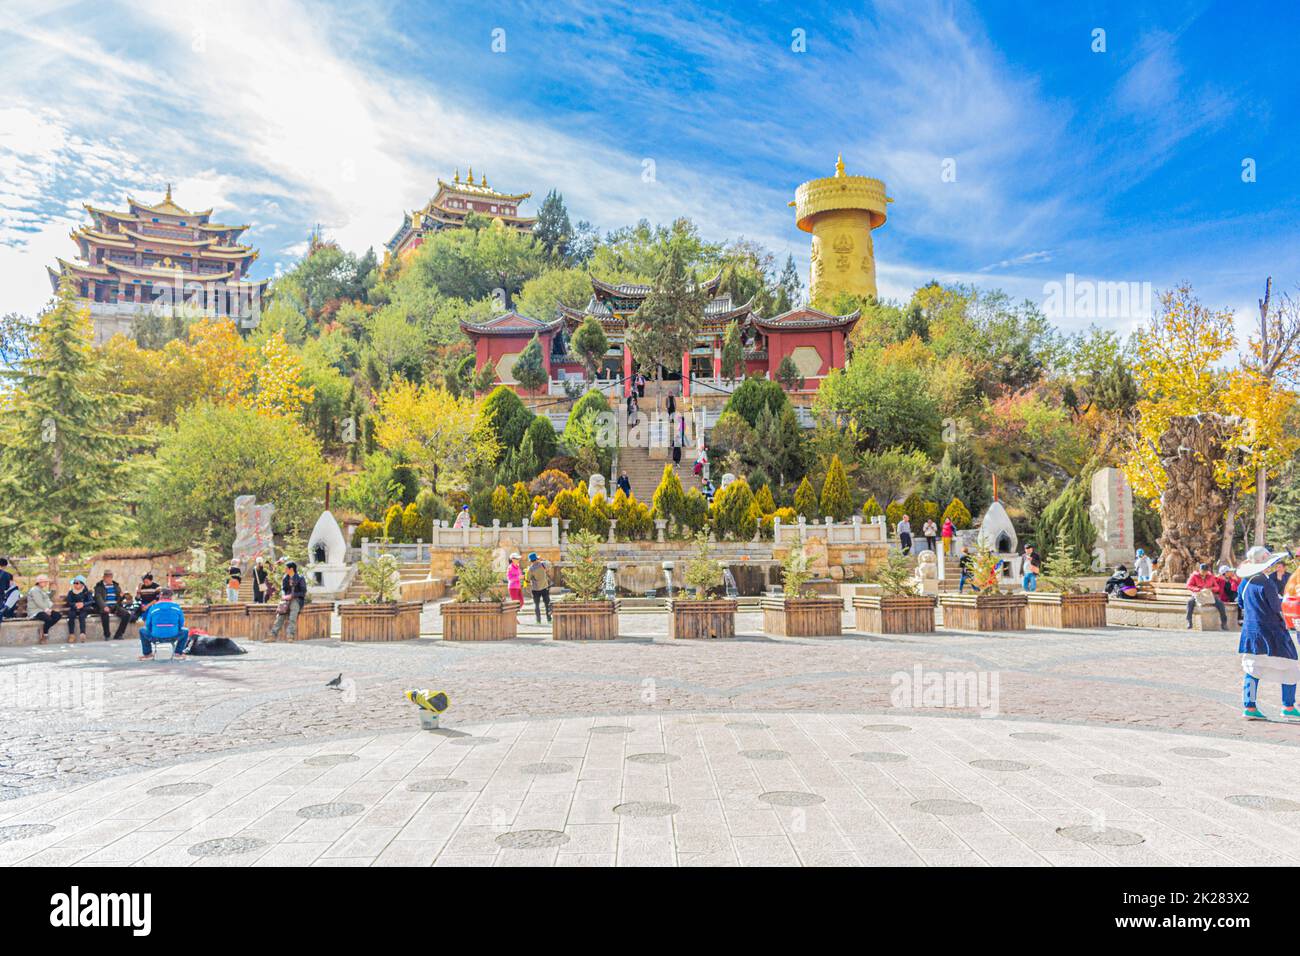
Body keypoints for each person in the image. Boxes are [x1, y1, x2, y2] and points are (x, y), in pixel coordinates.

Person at [1235, 546, 1299, 720]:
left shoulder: (1245, 581)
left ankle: (1249, 706)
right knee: (1290, 666)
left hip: (1250, 630)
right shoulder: (1266, 582)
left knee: (1252, 667)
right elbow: (1277, 607)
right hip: (1272, 631)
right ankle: (1288, 706)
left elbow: (1240, 602)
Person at [138, 587, 190, 661]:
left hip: (155, 636)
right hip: (173, 635)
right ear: (171, 596)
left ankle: (147, 654)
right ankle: (178, 653)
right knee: (185, 631)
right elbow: (181, 624)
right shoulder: (177, 607)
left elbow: (148, 624)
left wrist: (156, 630)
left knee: (142, 630)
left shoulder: (153, 607)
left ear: (160, 596)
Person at [269, 561, 307, 640]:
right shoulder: (285, 578)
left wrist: (292, 596)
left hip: (297, 600)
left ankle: (290, 636)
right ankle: (272, 636)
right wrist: (283, 595)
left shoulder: (300, 578)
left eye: (286, 568)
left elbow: (303, 592)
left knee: (292, 617)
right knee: (280, 616)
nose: (284, 569)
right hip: (286, 600)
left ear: (291, 569)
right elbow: (283, 589)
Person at [1186, 561, 1228, 630]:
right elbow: (1188, 585)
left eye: (1205, 571)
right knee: (1190, 602)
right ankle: (1189, 622)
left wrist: (1211, 589)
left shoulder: (1210, 576)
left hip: (1208, 595)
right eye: (1202, 571)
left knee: (1220, 604)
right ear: (1199, 570)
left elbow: (1217, 587)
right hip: (1198, 594)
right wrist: (1198, 589)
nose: (1204, 573)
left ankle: (1224, 623)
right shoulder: (1194, 576)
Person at [93, 570, 132, 641]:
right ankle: (107, 635)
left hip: (116, 606)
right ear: (103, 577)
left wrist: (122, 596)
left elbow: (119, 599)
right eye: (107, 577)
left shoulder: (116, 586)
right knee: (104, 614)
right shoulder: (99, 586)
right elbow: (98, 598)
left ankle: (119, 634)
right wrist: (104, 606)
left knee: (127, 614)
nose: (108, 578)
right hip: (105, 606)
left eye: (110, 577)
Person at [25, 575, 61, 643]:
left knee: (57, 615)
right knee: (48, 619)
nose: (46, 583)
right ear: (39, 582)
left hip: (44, 610)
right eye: (44, 582)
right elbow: (38, 601)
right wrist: (46, 610)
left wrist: (54, 588)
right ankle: (45, 634)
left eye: (46, 582)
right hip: (35, 611)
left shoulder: (41, 590)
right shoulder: (34, 590)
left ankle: (43, 629)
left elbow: (47, 597)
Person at [527, 552, 552, 624]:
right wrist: (541, 559)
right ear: (537, 558)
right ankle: (549, 619)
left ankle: (538, 621)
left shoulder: (530, 569)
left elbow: (528, 579)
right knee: (547, 604)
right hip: (544, 587)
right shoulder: (543, 564)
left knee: (536, 605)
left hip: (535, 589)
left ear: (531, 560)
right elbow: (549, 565)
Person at [65, 576, 92, 643]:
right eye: (74, 583)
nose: (75, 584)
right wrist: (75, 605)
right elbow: (68, 602)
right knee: (71, 615)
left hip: (84, 608)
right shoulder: (71, 592)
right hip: (74, 608)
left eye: (77, 583)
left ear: (82, 584)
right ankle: (71, 634)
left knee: (82, 616)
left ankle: (82, 634)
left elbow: (91, 601)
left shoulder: (87, 592)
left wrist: (83, 604)